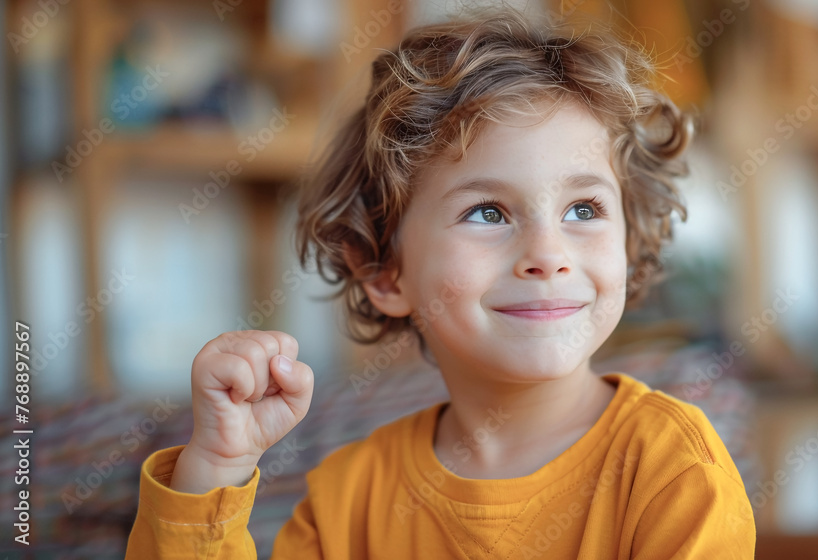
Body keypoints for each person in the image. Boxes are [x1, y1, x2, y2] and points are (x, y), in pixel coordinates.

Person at [125, 6, 755, 559]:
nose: (548, 254)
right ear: (384, 273)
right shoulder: (350, 497)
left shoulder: (673, 469)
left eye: (583, 209)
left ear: (629, 238)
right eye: (488, 212)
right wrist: (215, 470)